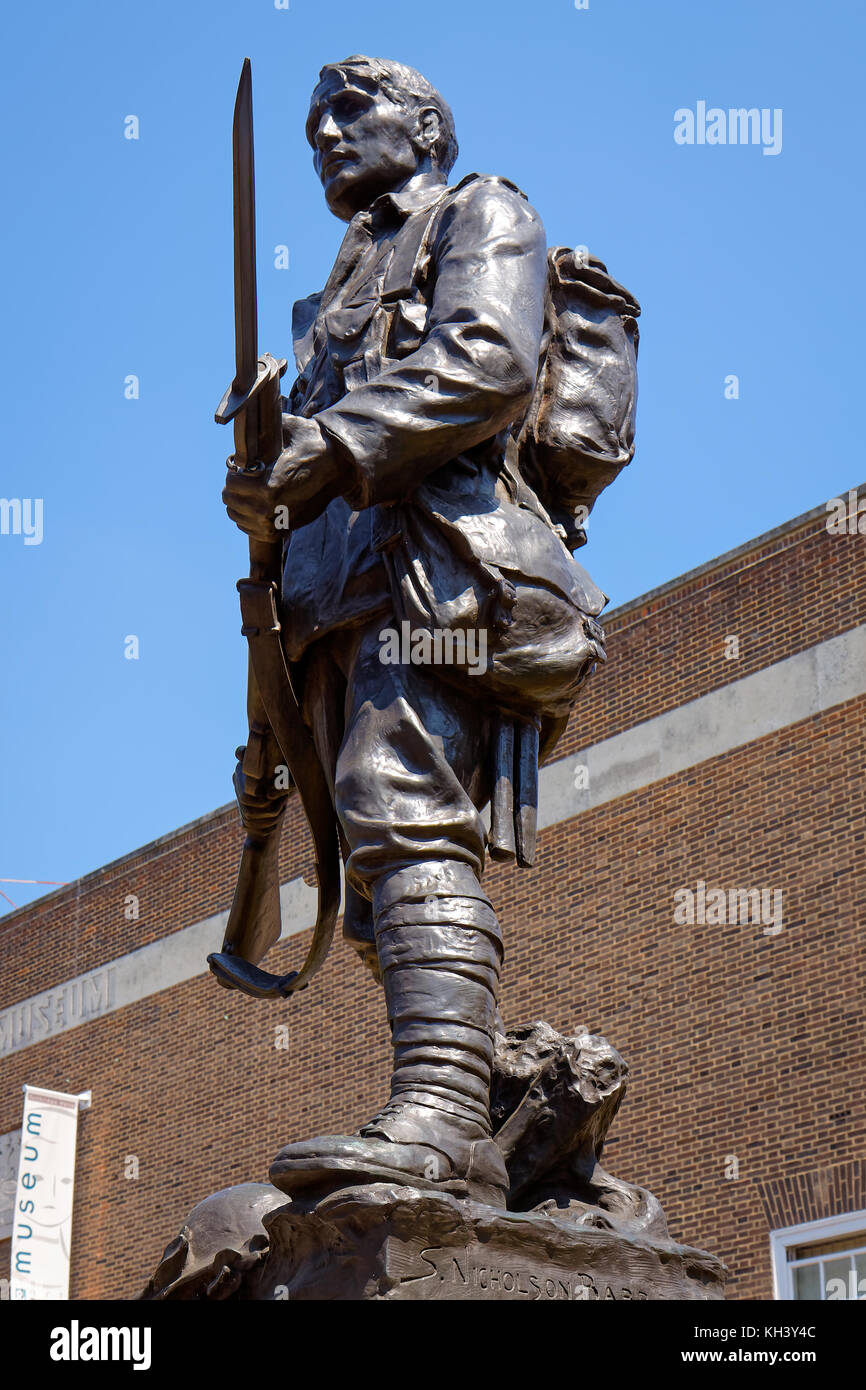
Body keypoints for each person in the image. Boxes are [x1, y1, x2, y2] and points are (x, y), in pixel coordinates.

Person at [223, 55, 607, 1206]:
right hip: (328, 608)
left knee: (405, 821)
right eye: (311, 125)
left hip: (436, 584)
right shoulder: (320, 301)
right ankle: (482, 1095)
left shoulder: (480, 212)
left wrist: (327, 447)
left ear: (424, 122)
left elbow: (485, 363)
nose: (325, 136)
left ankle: (439, 1120)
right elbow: (293, 501)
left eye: (351, 110)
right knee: (380, 891)